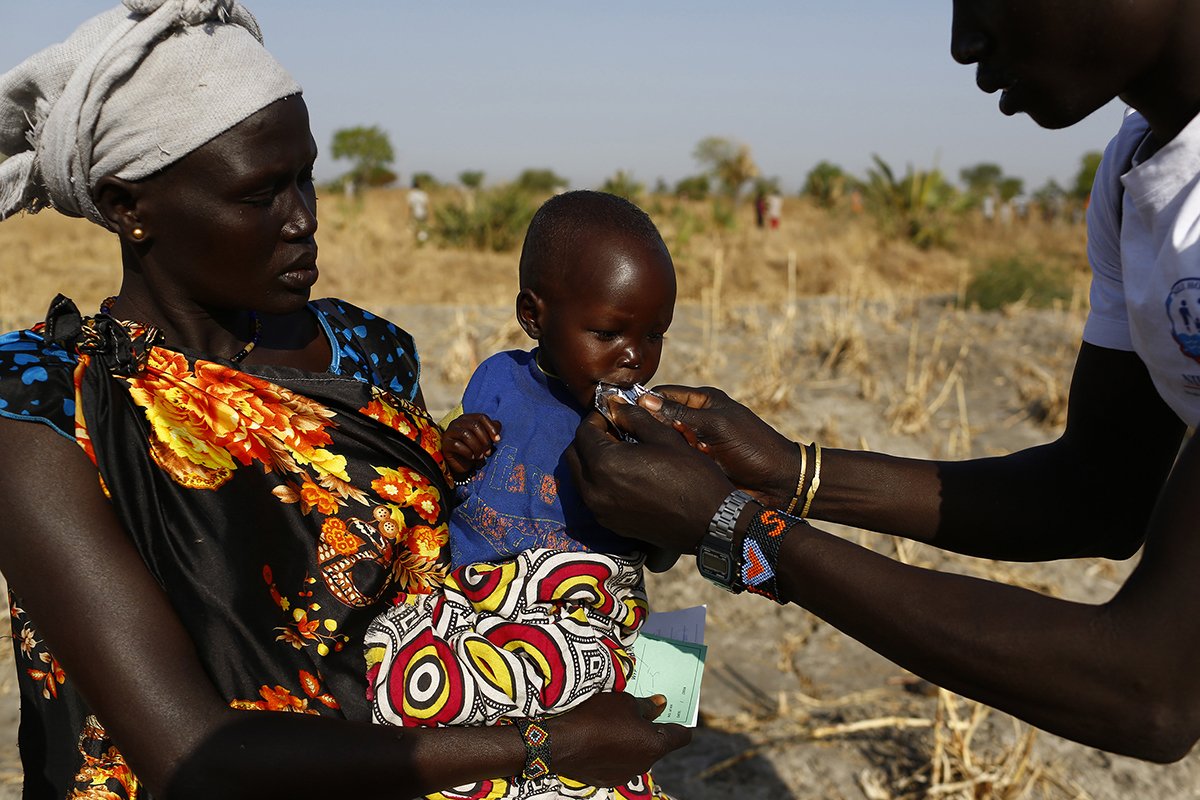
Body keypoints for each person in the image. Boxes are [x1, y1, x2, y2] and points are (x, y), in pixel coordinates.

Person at [0, 3, 688, 798]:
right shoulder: (44, 407)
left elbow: (431, 595)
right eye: (260, 195)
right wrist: (540, 746)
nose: (304, 220)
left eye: (306, 176)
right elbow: (192, 756)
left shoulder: (370, 351)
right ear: (129, 208)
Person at [568, 0, 1200, 765]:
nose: (965, 42)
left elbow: (1151, 690)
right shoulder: (1138, 177)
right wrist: (789, 472)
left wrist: (733, 529)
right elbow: (1096, 494)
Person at [365, 190, 679, 800]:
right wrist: (455, 450)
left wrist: (657, 495)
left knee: (579, 731)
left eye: (655, 336)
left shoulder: (643, 426)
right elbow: (451, 488)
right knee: (404, 676)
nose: (635, 359)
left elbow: (662, 550)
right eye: (609, 333)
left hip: (578, 614)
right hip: (471, 600)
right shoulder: (498, 381)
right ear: (534, 316)